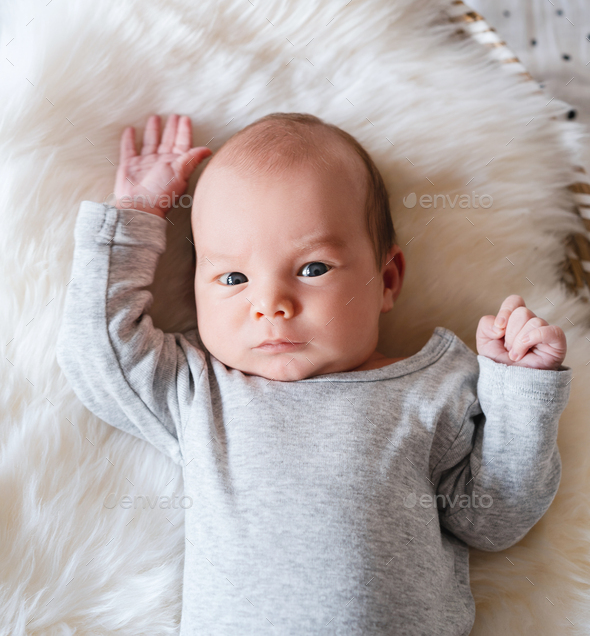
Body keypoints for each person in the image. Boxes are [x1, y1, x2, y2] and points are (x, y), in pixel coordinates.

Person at [57, 112, 570, 636]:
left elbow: (493, 519)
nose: (271, 304)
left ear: (387, 279)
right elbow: (100, 354)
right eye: (233, 277)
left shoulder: (435, 387)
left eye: (312, 269)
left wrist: (519, 393)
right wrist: (136, 216)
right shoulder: (201, 390)